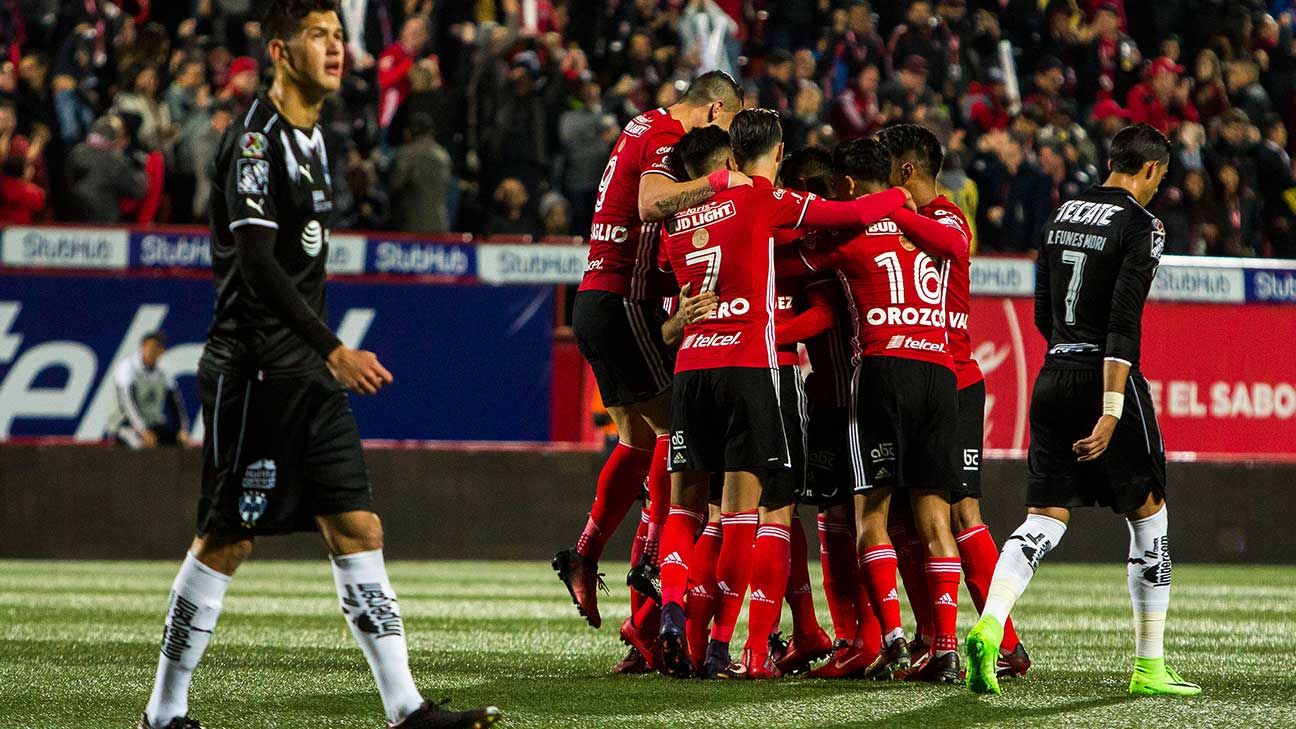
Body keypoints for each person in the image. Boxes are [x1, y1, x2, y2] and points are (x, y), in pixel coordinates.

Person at [137, 3, 501, 728]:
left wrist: (321, 354)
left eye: (339, 36)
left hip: (306, 370)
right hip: (257, 368)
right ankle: (161, 712)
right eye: (318, 36)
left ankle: (406, 708)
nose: (336, 48)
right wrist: (333, 347)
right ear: (280, 49)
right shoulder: (254, 140)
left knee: (359, 526)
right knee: (226, 536)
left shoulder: (316, 137)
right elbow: (258, 262)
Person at [654, 111, 913, 680]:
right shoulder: (766, 201)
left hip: (692, 367)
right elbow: (851, 213)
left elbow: (672, 306)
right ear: (774, 152)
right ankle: (725, 644)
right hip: (749, 371)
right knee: (750, 511)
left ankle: (671, 603)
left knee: (684, 509)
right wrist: (897, 191)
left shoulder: (681, 217)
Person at [964, 123, 1201, 699]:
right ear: (1148, 170)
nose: (1158, 187)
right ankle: (1149, 665)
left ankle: (991, 624)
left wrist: (1067, 356)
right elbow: (1124, 323)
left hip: (1053, 372)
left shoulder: (1064, 212)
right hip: (1103, 375)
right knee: (1149, 515)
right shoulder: (1143, 226)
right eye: (1160, 177)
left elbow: (1044, 311)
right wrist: (1112, 408)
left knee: (1044, 518)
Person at [552, 70, 749, 633]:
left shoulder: (642, 125)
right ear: (714, 112)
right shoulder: (666, 137)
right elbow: (649, 203)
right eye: (729, 131)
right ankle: (655, 565)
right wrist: (721, 187)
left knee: (638, 442)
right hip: (625, 301)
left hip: (597, 299)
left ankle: (586, 554)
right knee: (680, 439)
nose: (726, 154)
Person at [786, 137, 971, 683]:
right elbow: (954, 250)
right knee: (935, 519)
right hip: (939, 373)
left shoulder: (848, 235)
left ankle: (889, 637)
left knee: (872, 513)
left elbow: (791, 262)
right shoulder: (934, 231)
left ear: (846, 187)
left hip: (884, 369)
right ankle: (944, 648)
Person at [878, 123, 1031, 678]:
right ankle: (930, 633)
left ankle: (1006, 640)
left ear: (907, 170)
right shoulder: (906, 220)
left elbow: (953, 243)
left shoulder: (943, 218)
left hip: (957, 384)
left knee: (962, 512)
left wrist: (889, 209)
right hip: (917, 382)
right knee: (903, 515)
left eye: (888, 168)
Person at [106, 332, 191, 450]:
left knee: (180, 444)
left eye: (157, 348)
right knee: (141, 445)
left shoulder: (163, 371)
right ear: (142, 348)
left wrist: (182, 430)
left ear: (162, 351)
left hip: (153, 424)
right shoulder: (127, 368)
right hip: (124, 426)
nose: (152, 351)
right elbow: (128, 403)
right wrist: (143, 430)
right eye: (149, 347)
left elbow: (176, 403)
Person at [388, 112, 451, 233]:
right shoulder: (444, 155)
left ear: (410, 131)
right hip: (440, 225)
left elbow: (394, 184)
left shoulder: (407, 154)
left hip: (412, 225)